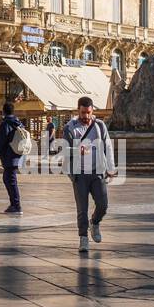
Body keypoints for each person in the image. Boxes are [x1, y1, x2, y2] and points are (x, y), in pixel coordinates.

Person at [63, 96, 114, 255]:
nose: (86, 116)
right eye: (83, 112)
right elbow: (64, 150)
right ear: (78, 110)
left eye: (89, 113)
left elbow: (108, 146)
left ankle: (95, 222)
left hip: (97, 172)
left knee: (103, 205)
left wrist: (111, 168)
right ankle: (83, 238)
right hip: (79, 174)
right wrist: (76, 150)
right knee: (82, 209)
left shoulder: (99, 125)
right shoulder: (70, 127)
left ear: (93, 111)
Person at [0, 103, 26, 214]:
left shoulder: (6, 124)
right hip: (17, 155)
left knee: (10, 180)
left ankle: (16, 206)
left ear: (3, 111)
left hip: (9, 157)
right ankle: (14, 204)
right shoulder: (18, 123)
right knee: (8, 179)